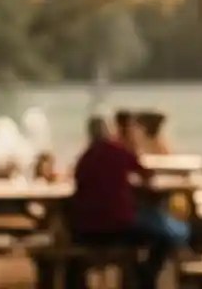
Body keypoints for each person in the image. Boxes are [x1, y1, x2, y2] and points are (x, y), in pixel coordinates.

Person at [68, 115, 187, 289]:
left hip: (86, 230)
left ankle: (139, 275)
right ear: (109, 132)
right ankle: (147, 277)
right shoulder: (118, 152)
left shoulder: (84, 159)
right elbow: (147, 174)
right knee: (167, 236)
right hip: (119, 226)